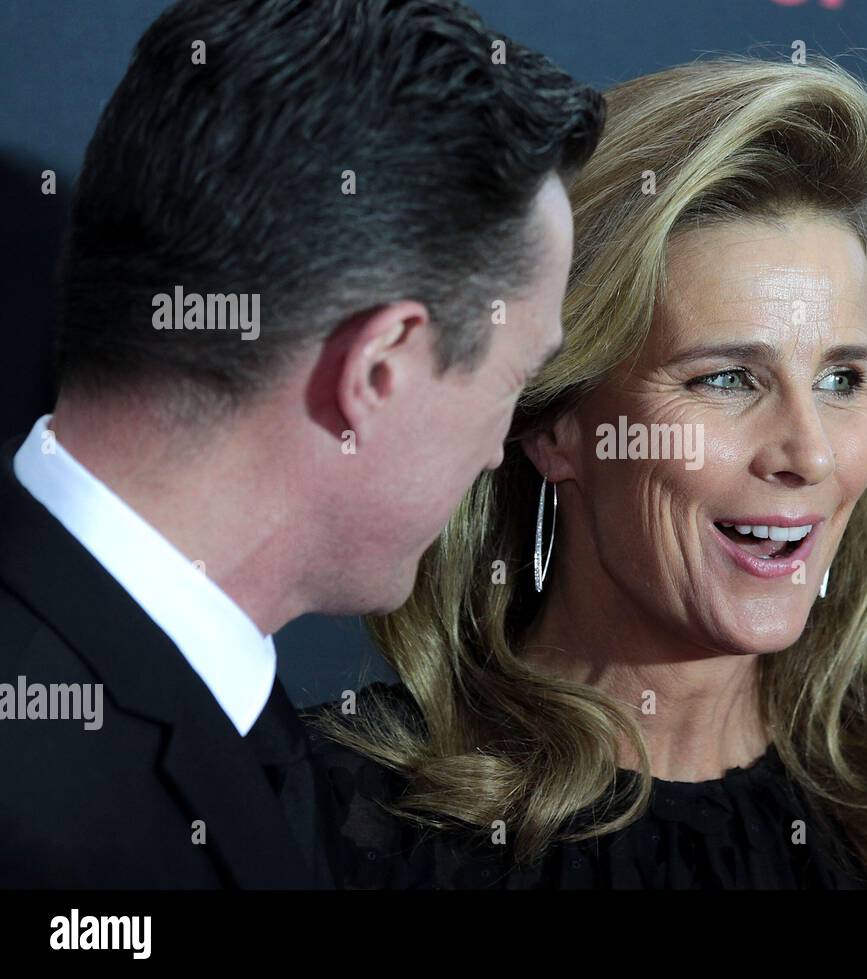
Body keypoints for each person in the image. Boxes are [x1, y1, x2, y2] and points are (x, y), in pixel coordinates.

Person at [312, 54, 867, 890]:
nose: (809, 454)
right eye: (727, 379)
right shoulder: (349, 819)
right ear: (557, 422)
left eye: (841, 379)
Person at [0, 0, 602, 888]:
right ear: (379, 369)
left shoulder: (217, 707)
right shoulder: (45, 818)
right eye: (515, 380)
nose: (494, 454)